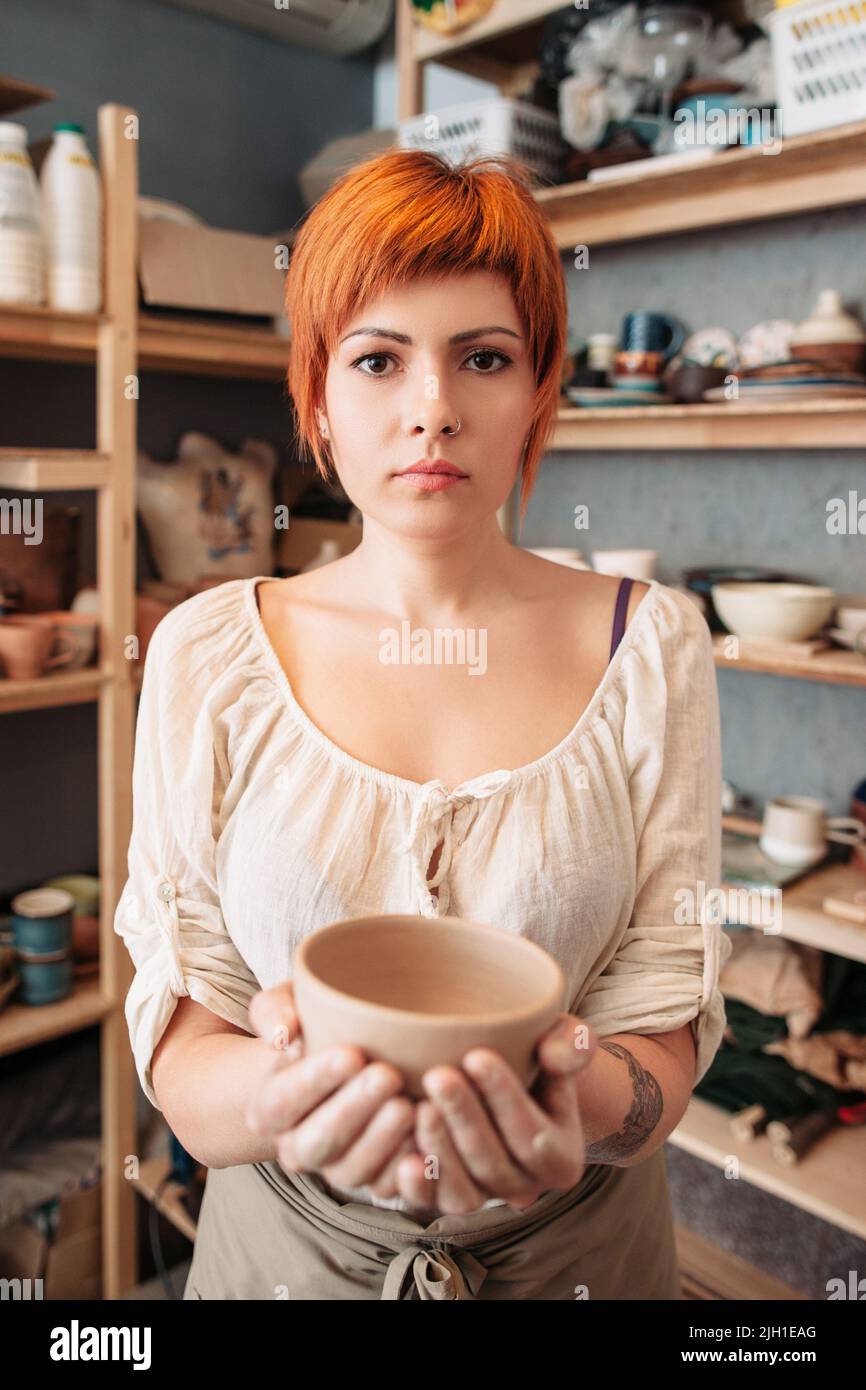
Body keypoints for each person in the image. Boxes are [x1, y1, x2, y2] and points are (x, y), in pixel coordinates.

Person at [114, 148, 731, 1301]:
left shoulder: (651, 646)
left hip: (582, 1262)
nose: (432, 409)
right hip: (283, 1263)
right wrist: (284, 1099)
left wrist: (581, 1105)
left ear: (538, 389)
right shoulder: (207, 652)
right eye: (378, 359)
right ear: (316, 400)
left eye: (482, 358)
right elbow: (184, 1048)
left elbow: (662, 1033)